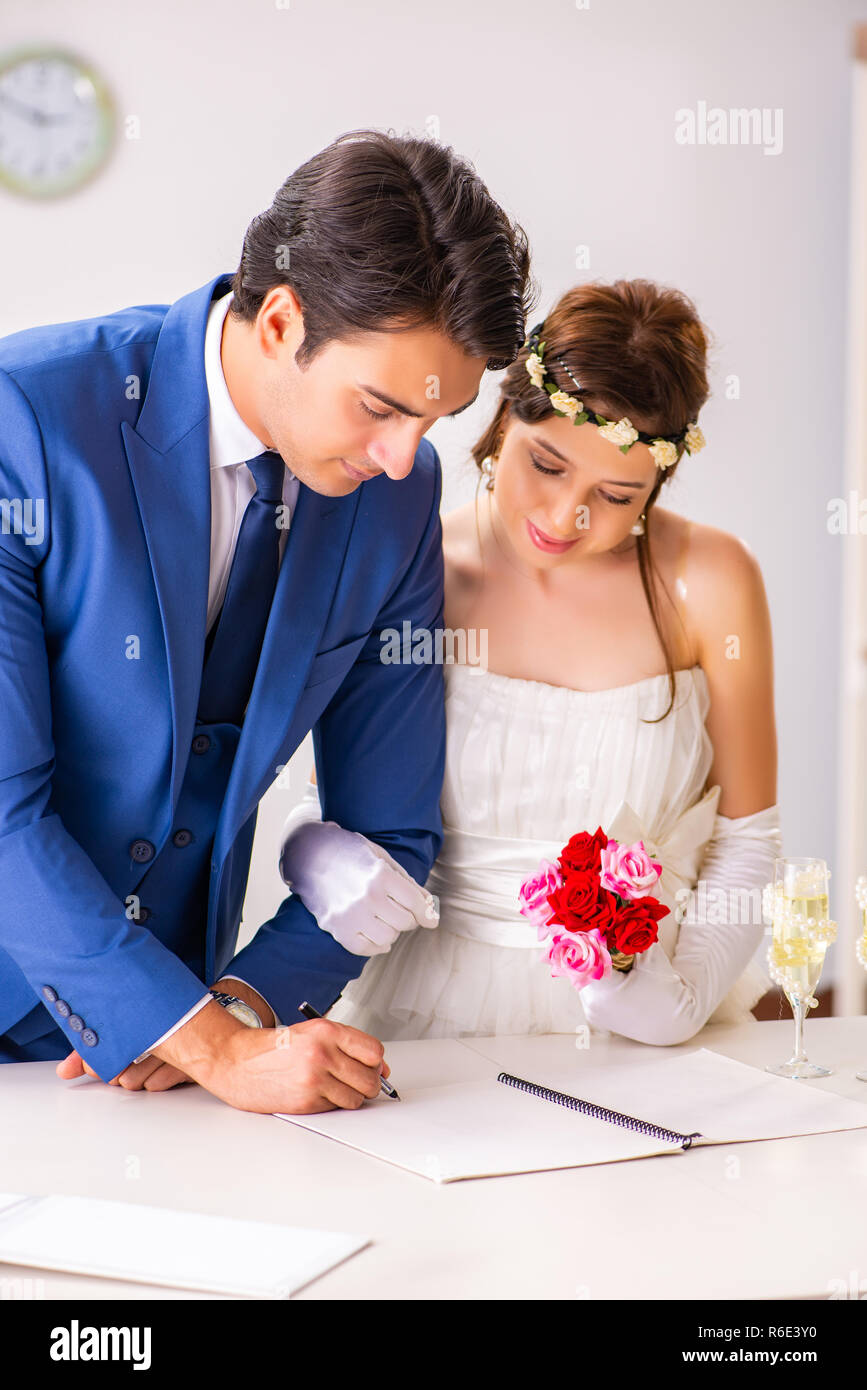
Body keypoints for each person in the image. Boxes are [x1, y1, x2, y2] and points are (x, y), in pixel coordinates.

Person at [0, 127, 534, 1109]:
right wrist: (206, 1042)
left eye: (436, 419)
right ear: (282, 321)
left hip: (167, 1073)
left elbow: (388, 828)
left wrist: (237, 1012)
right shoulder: (23, 419)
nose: (404, 455)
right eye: (379, 406)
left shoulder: (400, 494)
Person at [280, 278, 783, 1045]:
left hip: (646, 1005)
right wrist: (310, 854)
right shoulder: (415, 568)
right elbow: (328, 804)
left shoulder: (710, 580)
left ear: (657, 482)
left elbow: (747, 841)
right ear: (502, 417)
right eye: (545, 465)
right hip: (428, 1005)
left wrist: (683, 993)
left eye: (615, 495)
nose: (564, 518)